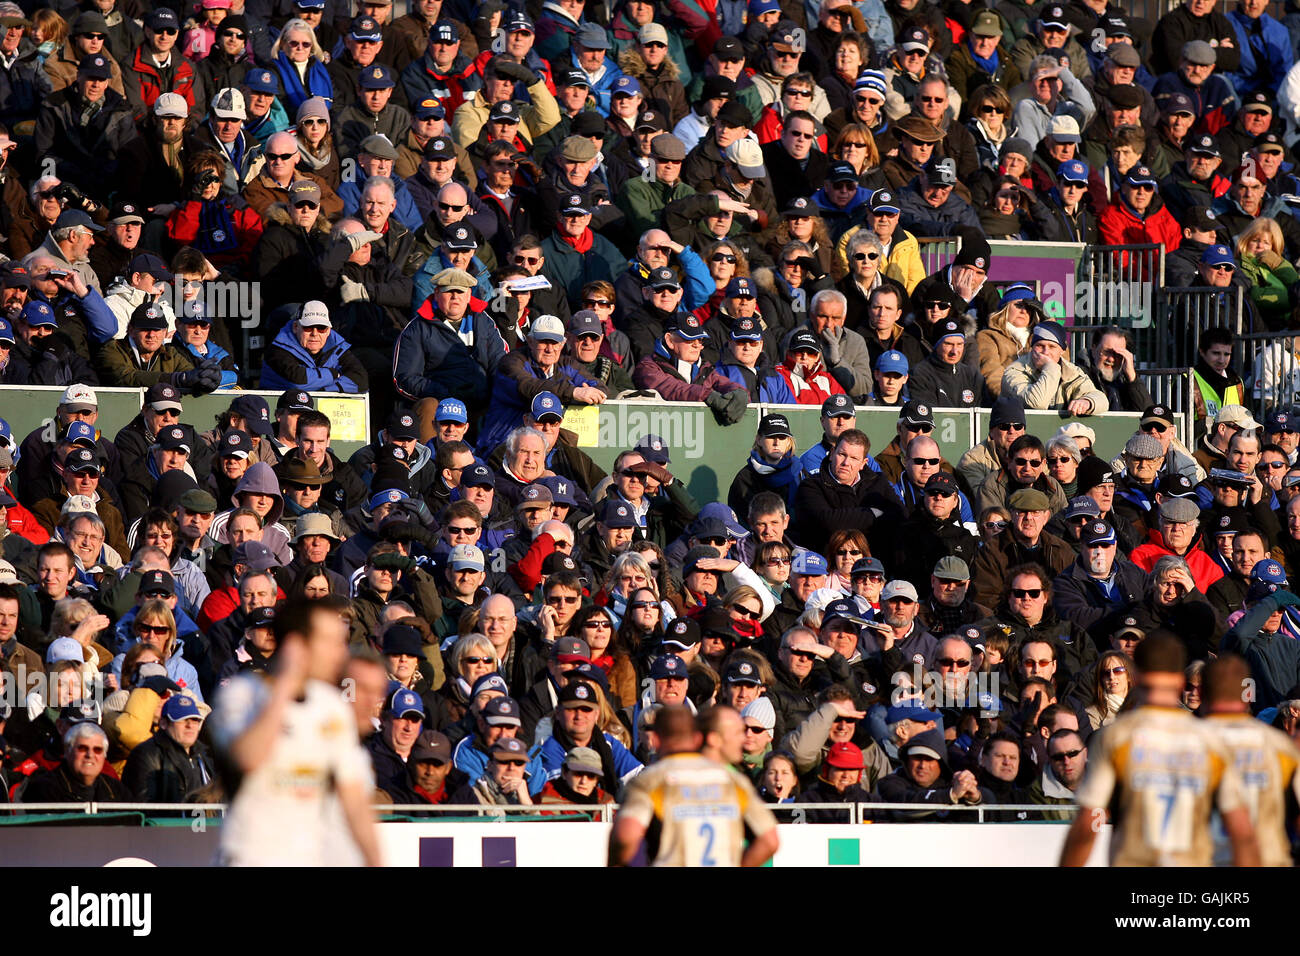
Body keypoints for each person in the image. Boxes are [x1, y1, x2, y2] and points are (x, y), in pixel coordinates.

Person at [1060, 633, 1259, 867]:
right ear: (1179, 680)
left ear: (1136, 676)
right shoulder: (1210, 740)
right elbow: (1241, 831)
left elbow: (1087, 825)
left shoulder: (1115, 738)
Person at [212, 598, 382, 866]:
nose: (340, 652)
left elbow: (355, 802)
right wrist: (286, 684)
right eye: (330, 641)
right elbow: (247, 759)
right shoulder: (242, 695)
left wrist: (377, 862)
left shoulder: (333, 707)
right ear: (296, 645)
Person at [610, 705, 779, 866]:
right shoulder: (733, 781)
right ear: (697, 739)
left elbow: (627, 836)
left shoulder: (651, 781)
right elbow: (770, 840)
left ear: (656, 740)